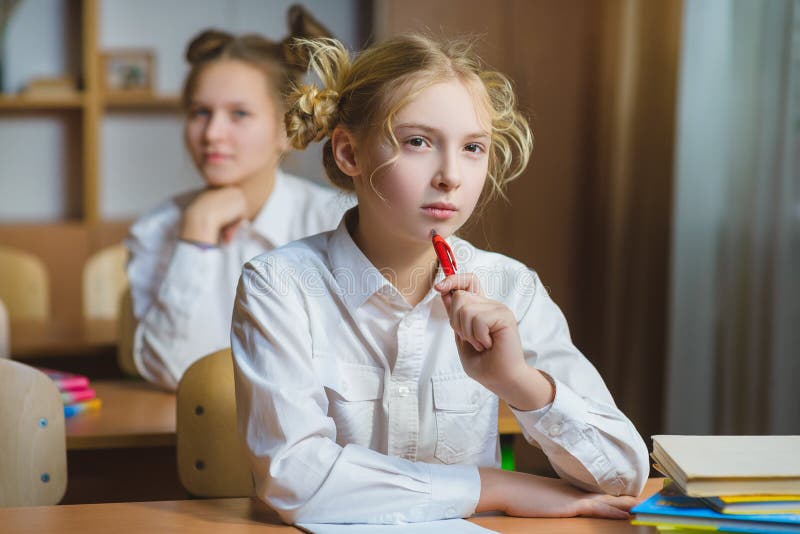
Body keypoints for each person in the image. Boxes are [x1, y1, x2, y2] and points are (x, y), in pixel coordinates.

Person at [231, 34, 650, 524]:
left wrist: (519, 382)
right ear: (349, 154)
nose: (451, 175)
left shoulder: (511, 287)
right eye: (418, 142)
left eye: (473, 147)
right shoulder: (279, 285)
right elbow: (295, 478)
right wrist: (493, 487)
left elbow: (622, 479)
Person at [125, 6, 352, 391]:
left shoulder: (337, 221)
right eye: (200, 112)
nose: (212, 133)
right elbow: (170, 369)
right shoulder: (156, 229)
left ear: (287, 129)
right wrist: (196, 235)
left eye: (239, 114)